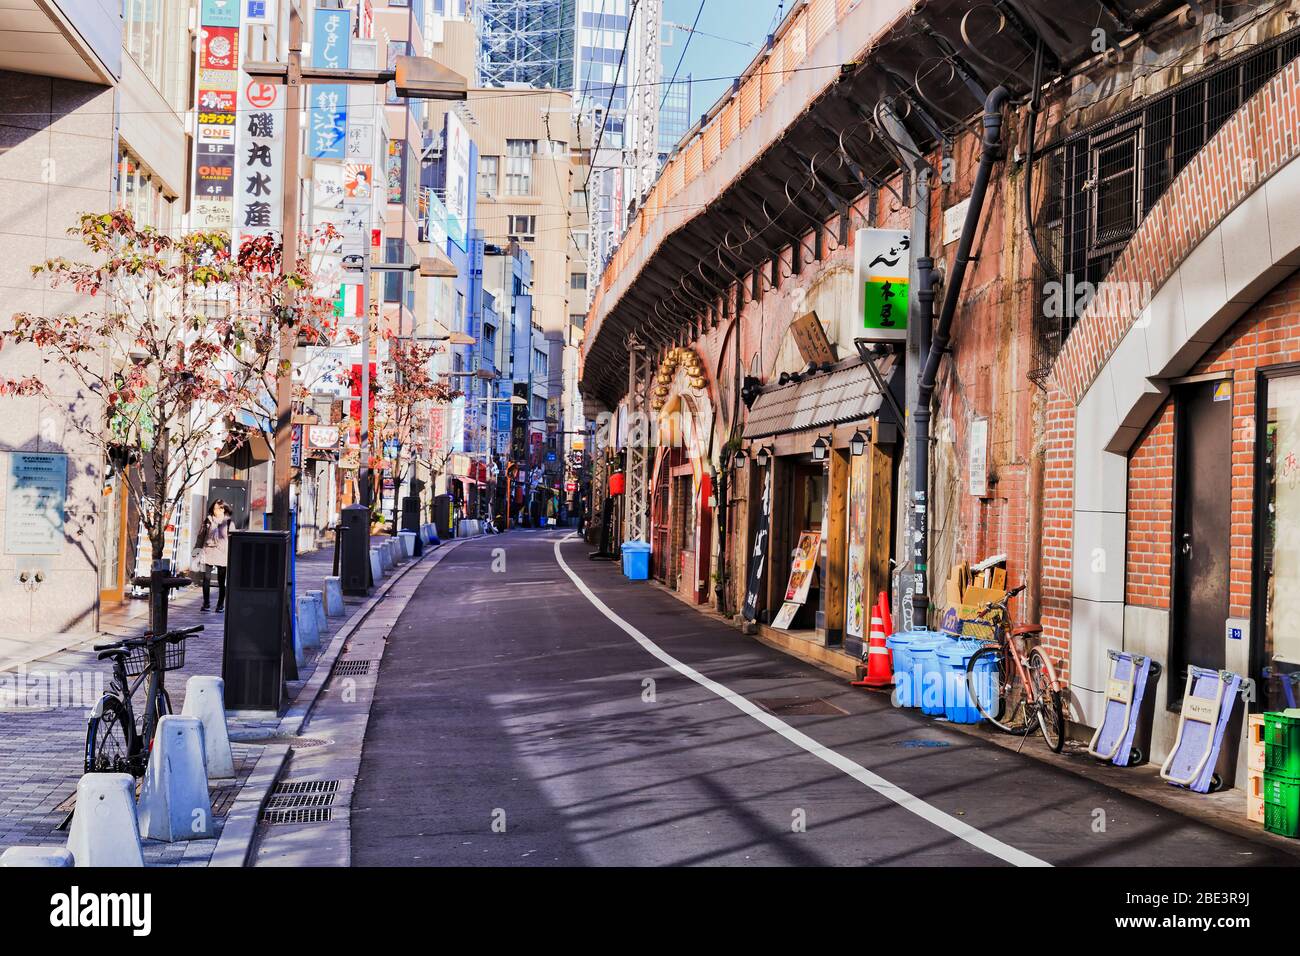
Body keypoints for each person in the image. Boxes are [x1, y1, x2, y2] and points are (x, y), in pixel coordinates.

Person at [194, 499, 233, 612]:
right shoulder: (208, 520)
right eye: (214, 508)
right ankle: (206, 603)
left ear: (223, 509)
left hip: (223, 553)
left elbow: (233, 539)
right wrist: (195, 552)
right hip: (208, 552)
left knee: (222, 581)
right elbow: (200, 537)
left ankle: (220, 605)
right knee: (206, 579)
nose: (216, 510)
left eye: (219, 508)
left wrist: (232, 555)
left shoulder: (229, 522)